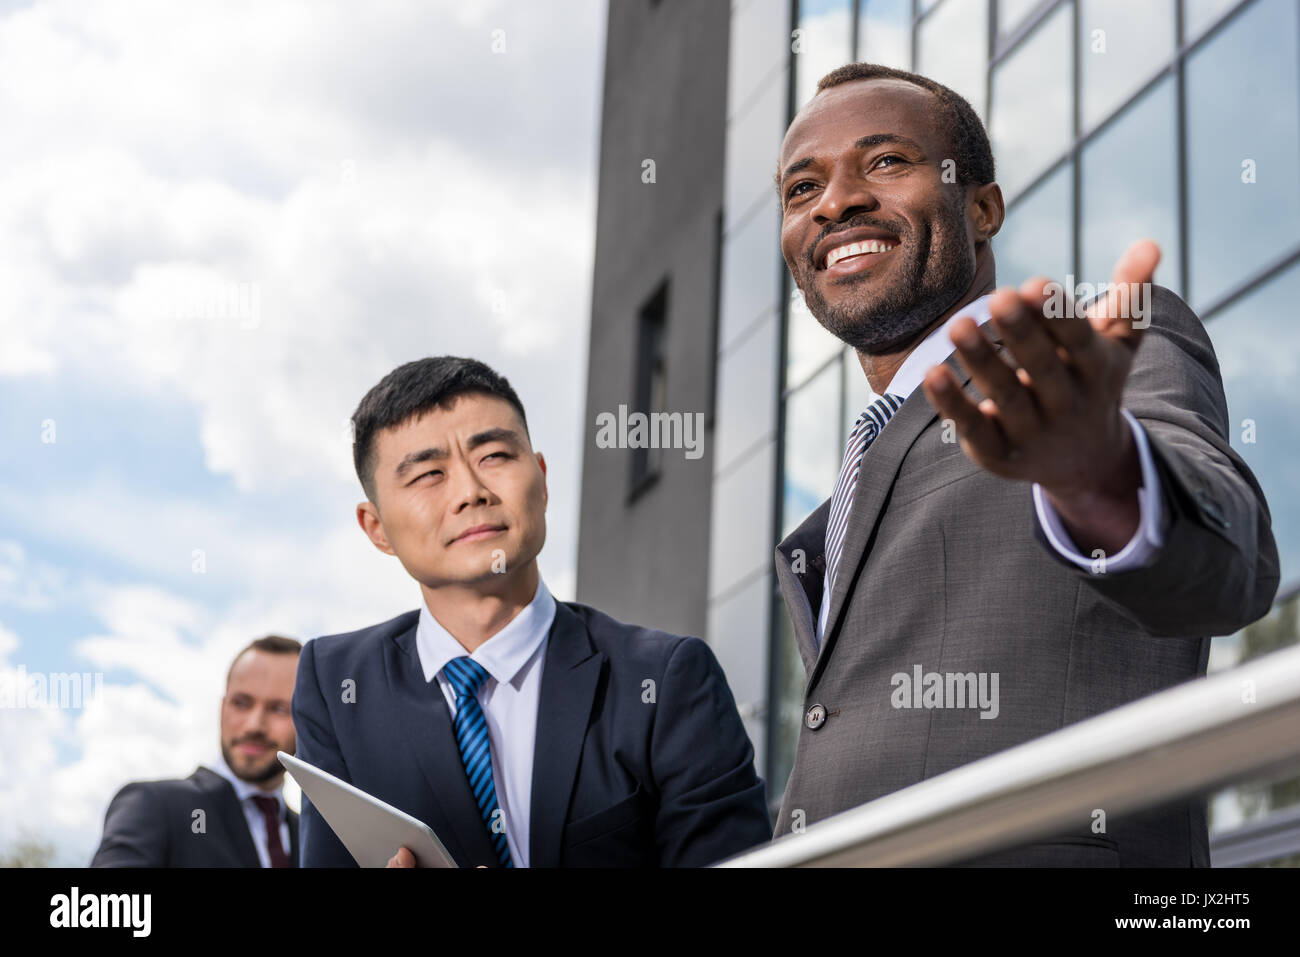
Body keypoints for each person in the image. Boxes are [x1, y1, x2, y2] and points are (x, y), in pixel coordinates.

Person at [770, 62, 1279, 866]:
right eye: (802, 189)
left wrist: (1100, 474)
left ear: (983, 207)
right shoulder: (835, 506)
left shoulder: (1090, 359)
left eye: (887, 162)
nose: (835, 202)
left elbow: (1229, 561)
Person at [293, 356, 770, 868]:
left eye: (494, 455)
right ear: (377, 528)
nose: (470, 492)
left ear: (541, 481)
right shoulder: (338, 682)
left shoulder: (665, 678)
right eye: (429, 474)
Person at [91, 635, 302, 867]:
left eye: (279, 709)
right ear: (222, 708)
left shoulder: (318, 838)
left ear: (307, 720)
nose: (254, 725)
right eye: (241, 703)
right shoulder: (154, 806)